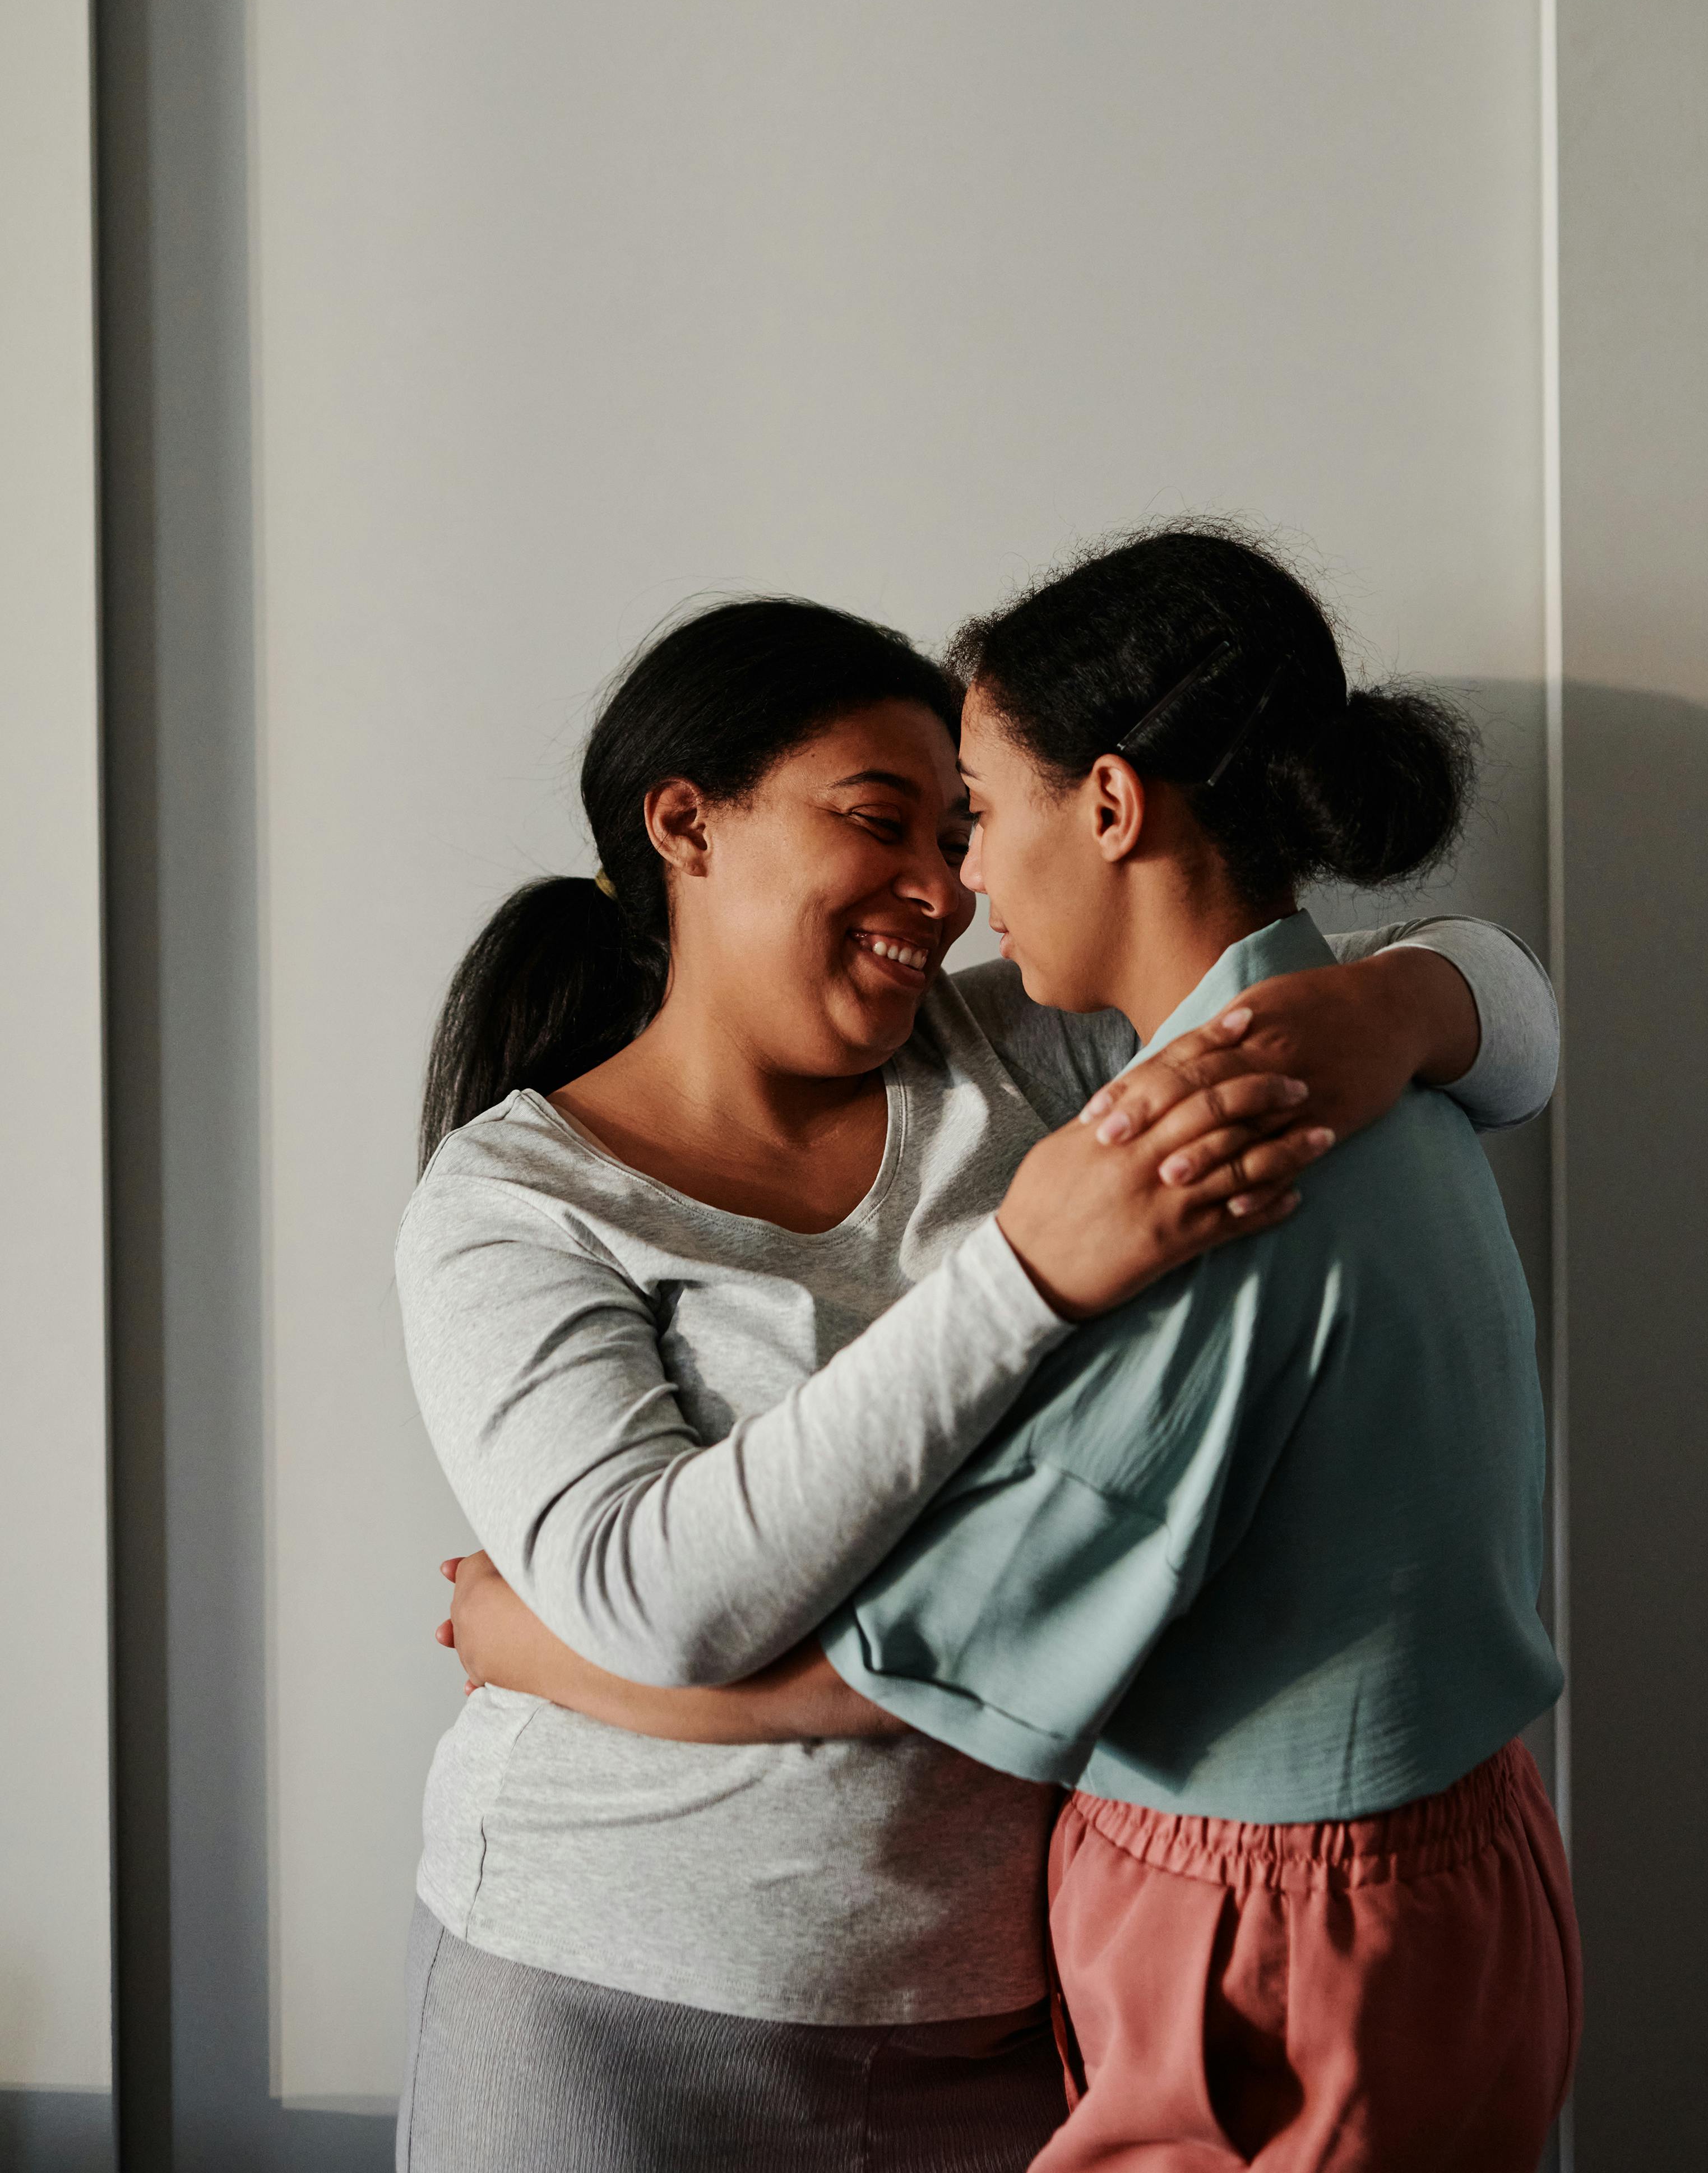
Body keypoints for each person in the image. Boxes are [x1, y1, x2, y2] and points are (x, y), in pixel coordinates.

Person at [402, 589, 1558, 2173]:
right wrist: (1026, 1271)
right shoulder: (515, 1203)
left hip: (1016, 2020)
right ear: (687, 824)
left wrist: (1401, 1005)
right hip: (617, 2005)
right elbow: (653, 1594)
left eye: (961, 825)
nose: (947, 890)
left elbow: (1499, 1014)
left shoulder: (1030, 1053)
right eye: (883, 823)